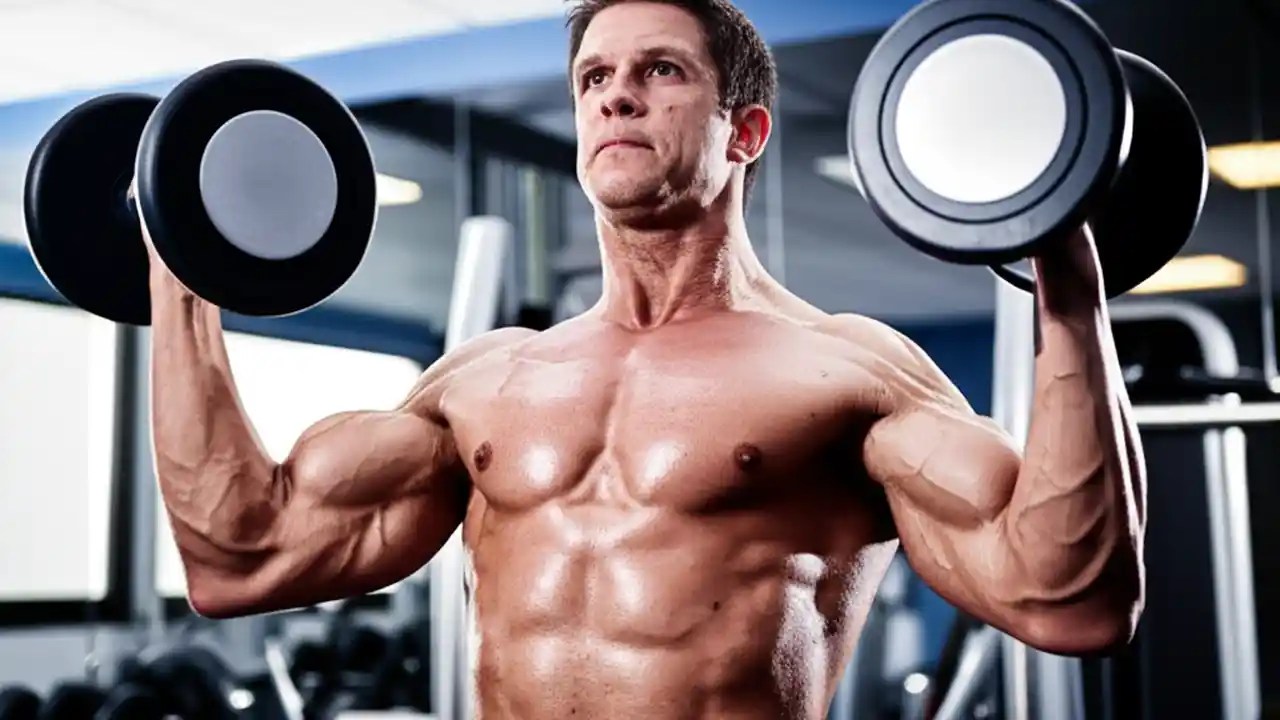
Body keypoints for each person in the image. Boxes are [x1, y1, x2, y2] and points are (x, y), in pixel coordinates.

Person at [147, 0, 1147, 717]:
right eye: (593, 78)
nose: (615, 96)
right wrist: (179, 269)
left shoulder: (845, 372)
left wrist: (1061, 259)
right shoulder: (483, 381)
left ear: (744, 131)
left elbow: (1065, 596)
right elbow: (241, 558)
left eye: (660, 71)